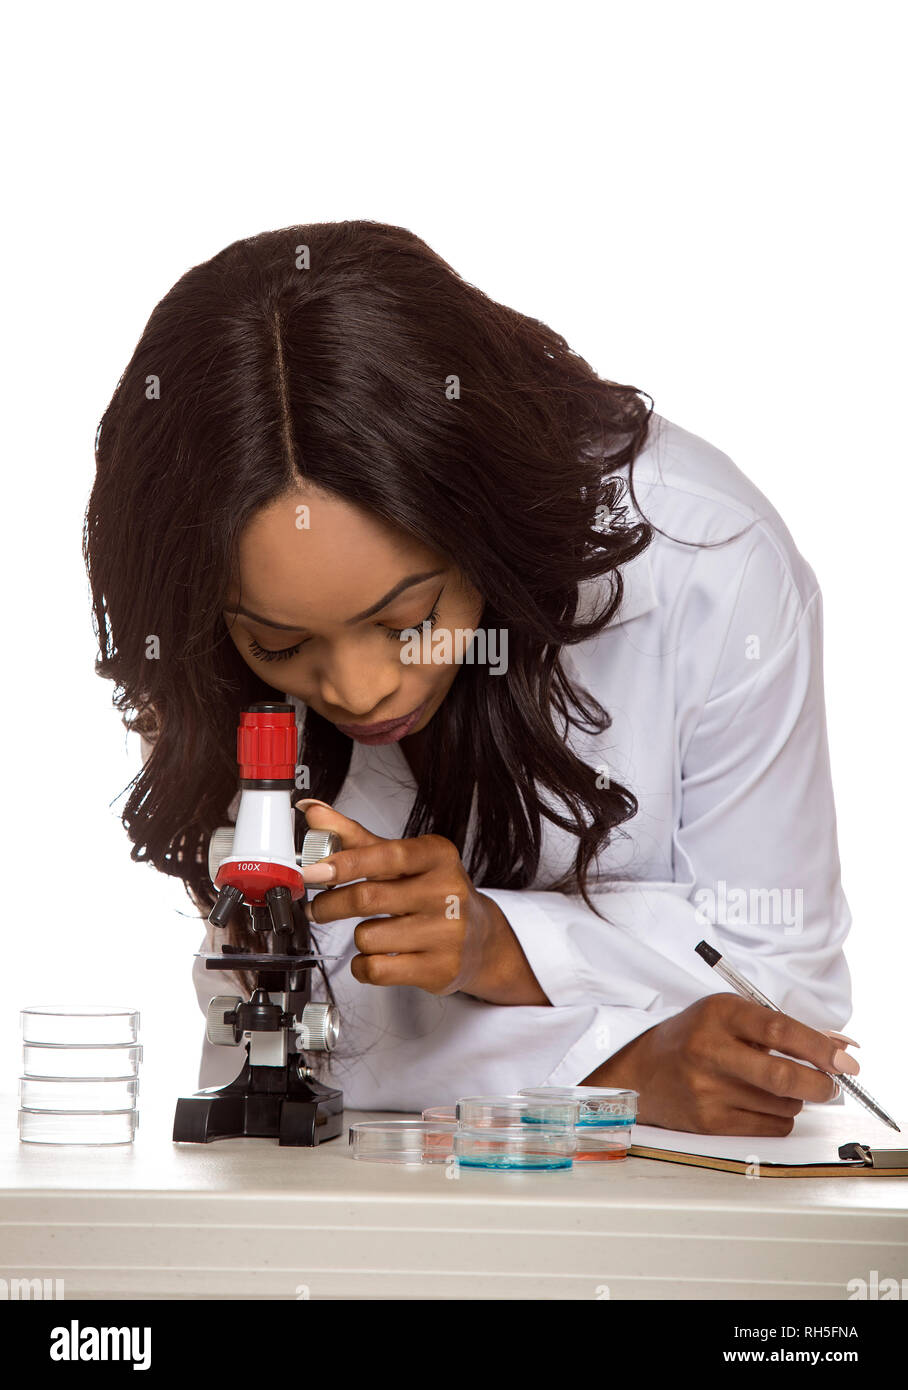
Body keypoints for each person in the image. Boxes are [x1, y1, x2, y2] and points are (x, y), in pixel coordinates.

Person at [85, 220, 856, 1134]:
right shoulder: (212, 626)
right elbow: (274, 1038)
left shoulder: (709, 559)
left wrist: (498, 948)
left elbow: (781, 1013)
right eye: (282, 646)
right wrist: (623, 1066)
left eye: (408, 622)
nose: (363, 690)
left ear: (480, 521)